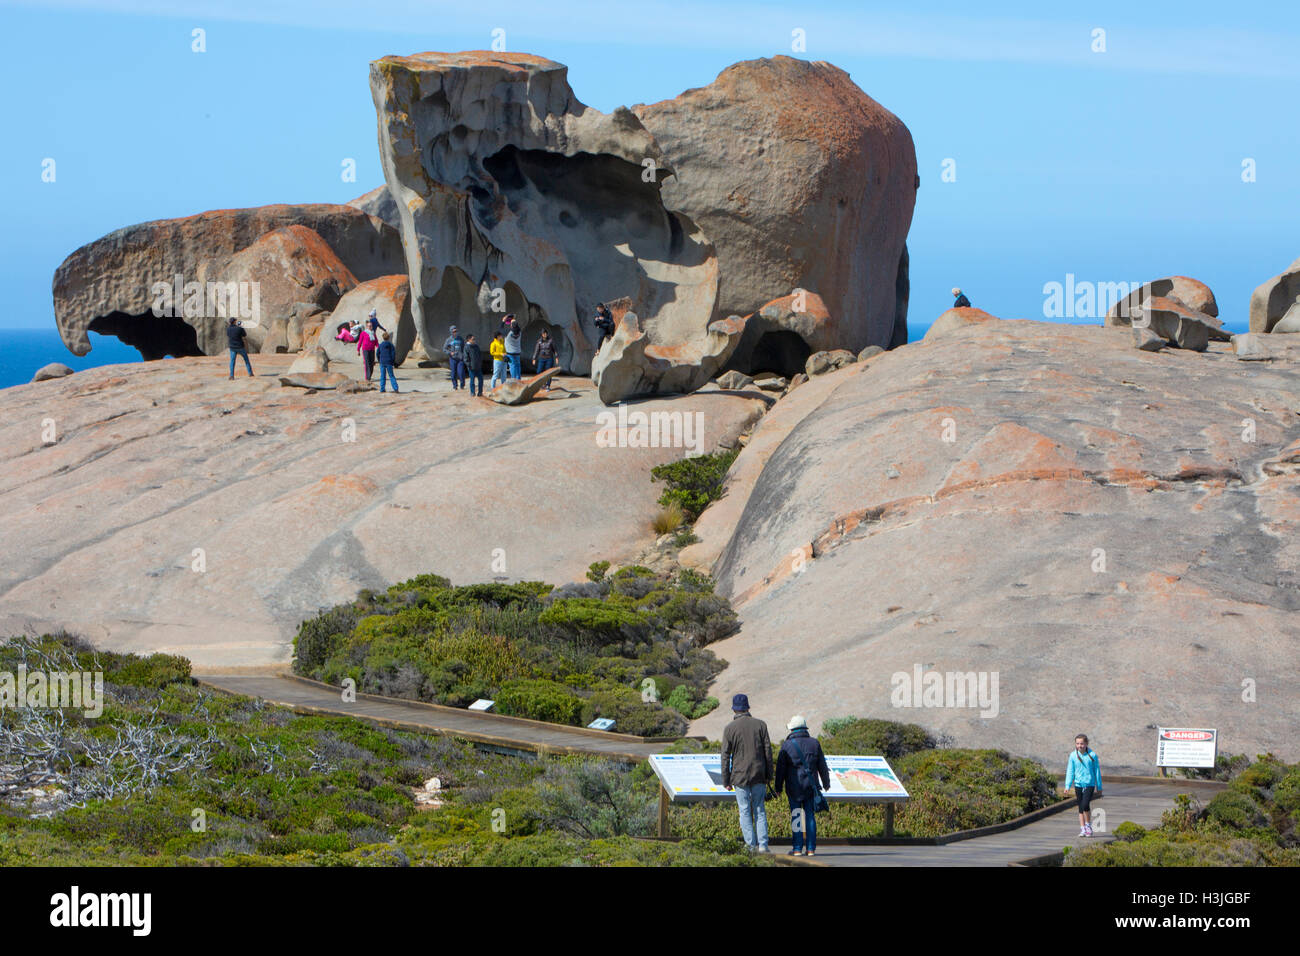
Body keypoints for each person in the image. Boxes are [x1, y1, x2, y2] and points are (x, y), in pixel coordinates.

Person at [720, 693, 773, 853]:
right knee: (759, 809)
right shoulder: (761, 725)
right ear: (748, 707)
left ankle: (750, 846)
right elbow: (768, 753)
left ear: (734, 710)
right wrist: (769, 775)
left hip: (739, 776)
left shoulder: (729, 728)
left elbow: (725, 756)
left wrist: (726, 780)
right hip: (759, 775)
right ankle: (763, 845)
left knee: (744, 811)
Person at [774, 715, 831, 857]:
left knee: (796, 816)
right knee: (810, 816)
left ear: (792, 729)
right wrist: (826, 783)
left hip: (794, 787)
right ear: (805, 728)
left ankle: (797, 848)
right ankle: (811, 849)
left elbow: (780, 769)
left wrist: (778, 788)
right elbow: (822, 766)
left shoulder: (787, 745)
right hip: (811, 787)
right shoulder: (814, 743)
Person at [1064, 733, 1103, 837]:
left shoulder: (1092, 755)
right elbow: (1070, 771)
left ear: (1086, 743)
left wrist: (1099, 786)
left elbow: (1097, 771)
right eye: (1077, 743)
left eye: (1082, 743)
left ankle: (1088, 825)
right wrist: (1067, 786)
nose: (1079, 746)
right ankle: (1083, 829)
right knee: (1081, 807)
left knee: (1085, 804)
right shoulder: (1073, 756)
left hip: (1089, 784)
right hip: (1078, 784)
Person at [443, 325, 467, 390]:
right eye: (454, 331)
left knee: (461, 372)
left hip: (460, 359)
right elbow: (444, 349)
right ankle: (455, 386)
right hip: (452, 359)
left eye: (456, 331)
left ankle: (462, 385)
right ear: (451, 332)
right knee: (453, 373)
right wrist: (450, 353)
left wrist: (463, 356)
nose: (455, 332)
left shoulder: (460, 339)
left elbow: (464, 348)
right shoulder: (448, 340)